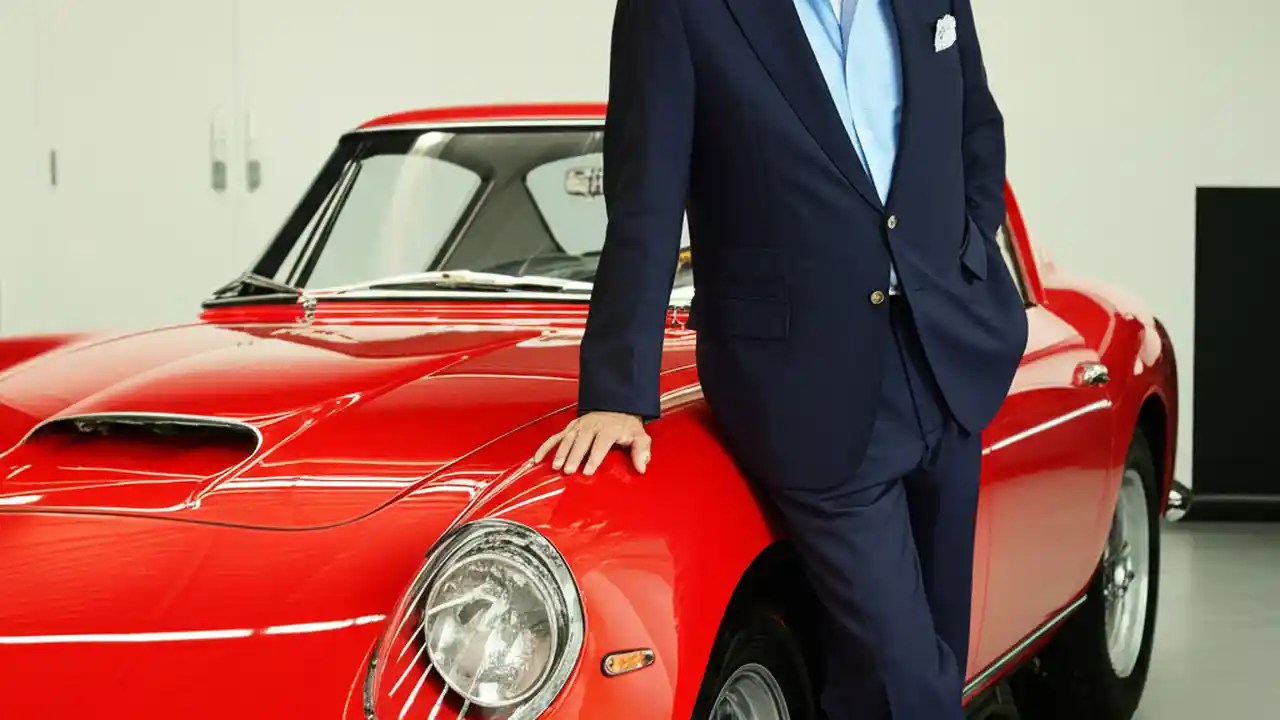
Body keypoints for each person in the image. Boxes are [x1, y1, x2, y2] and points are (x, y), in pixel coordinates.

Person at [534, 0, 1028, 717]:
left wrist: (958, 260)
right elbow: (646, 192)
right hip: (804, 379)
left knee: (930, 659)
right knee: (906, 676)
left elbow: (974, 124)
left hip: (946, 359)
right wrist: (616, 388)